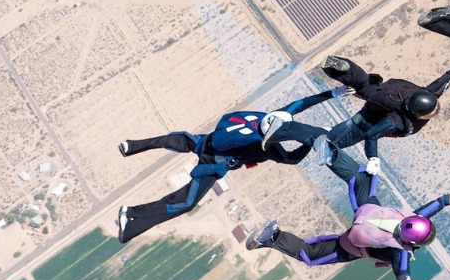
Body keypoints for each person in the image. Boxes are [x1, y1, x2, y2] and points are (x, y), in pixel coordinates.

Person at [115, 91, 341, 243]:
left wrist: (332, 93)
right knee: (185, 203)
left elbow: (300, 104)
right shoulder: (266, 146)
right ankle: (131, 220)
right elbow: (291, 158)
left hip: (205, 142)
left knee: (174, 140)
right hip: (212, 164)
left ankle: (131, 147)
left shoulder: (268, 119)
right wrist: (312, 143)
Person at [246, 166, 450, 280]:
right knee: (309, 255)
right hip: (349, 245)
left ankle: (332, 154)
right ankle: (272, 237)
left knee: (360, 178)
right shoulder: (399, 252)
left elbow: (443, 200)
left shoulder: (414, 216)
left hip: (365, 214)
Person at [315, 53, 450, 184]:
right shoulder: (397, 121)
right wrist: (373, 158)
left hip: (389, 89)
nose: (434, 111)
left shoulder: (430, 95)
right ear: (417, 114)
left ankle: (348, 68)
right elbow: (371, 135)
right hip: (374, 109)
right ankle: (327, 137)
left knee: (363, 83)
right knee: (350, 133)